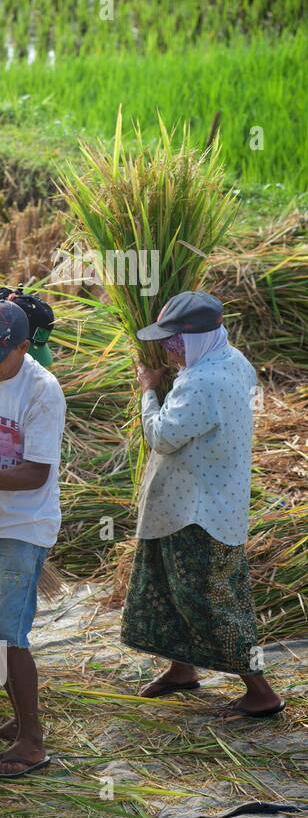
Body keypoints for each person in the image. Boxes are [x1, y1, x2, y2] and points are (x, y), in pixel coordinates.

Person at [121, 291, 285, 717]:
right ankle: (182, 669)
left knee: (206, 600)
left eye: (174, 341)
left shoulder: (200, 381)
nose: (168, 349)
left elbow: (161, 436)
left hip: (194, 510)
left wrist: (148, 390)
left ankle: (261, 691)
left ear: (194, 339)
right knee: (175, 589)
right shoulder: (235, 361)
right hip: (215, 503)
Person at [0, 300, 66, 777]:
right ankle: (18, 716)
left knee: (6, 634)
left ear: (23, 348)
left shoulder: (43, 392)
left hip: (26, 525)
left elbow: (36, 474)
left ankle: (32, 741)